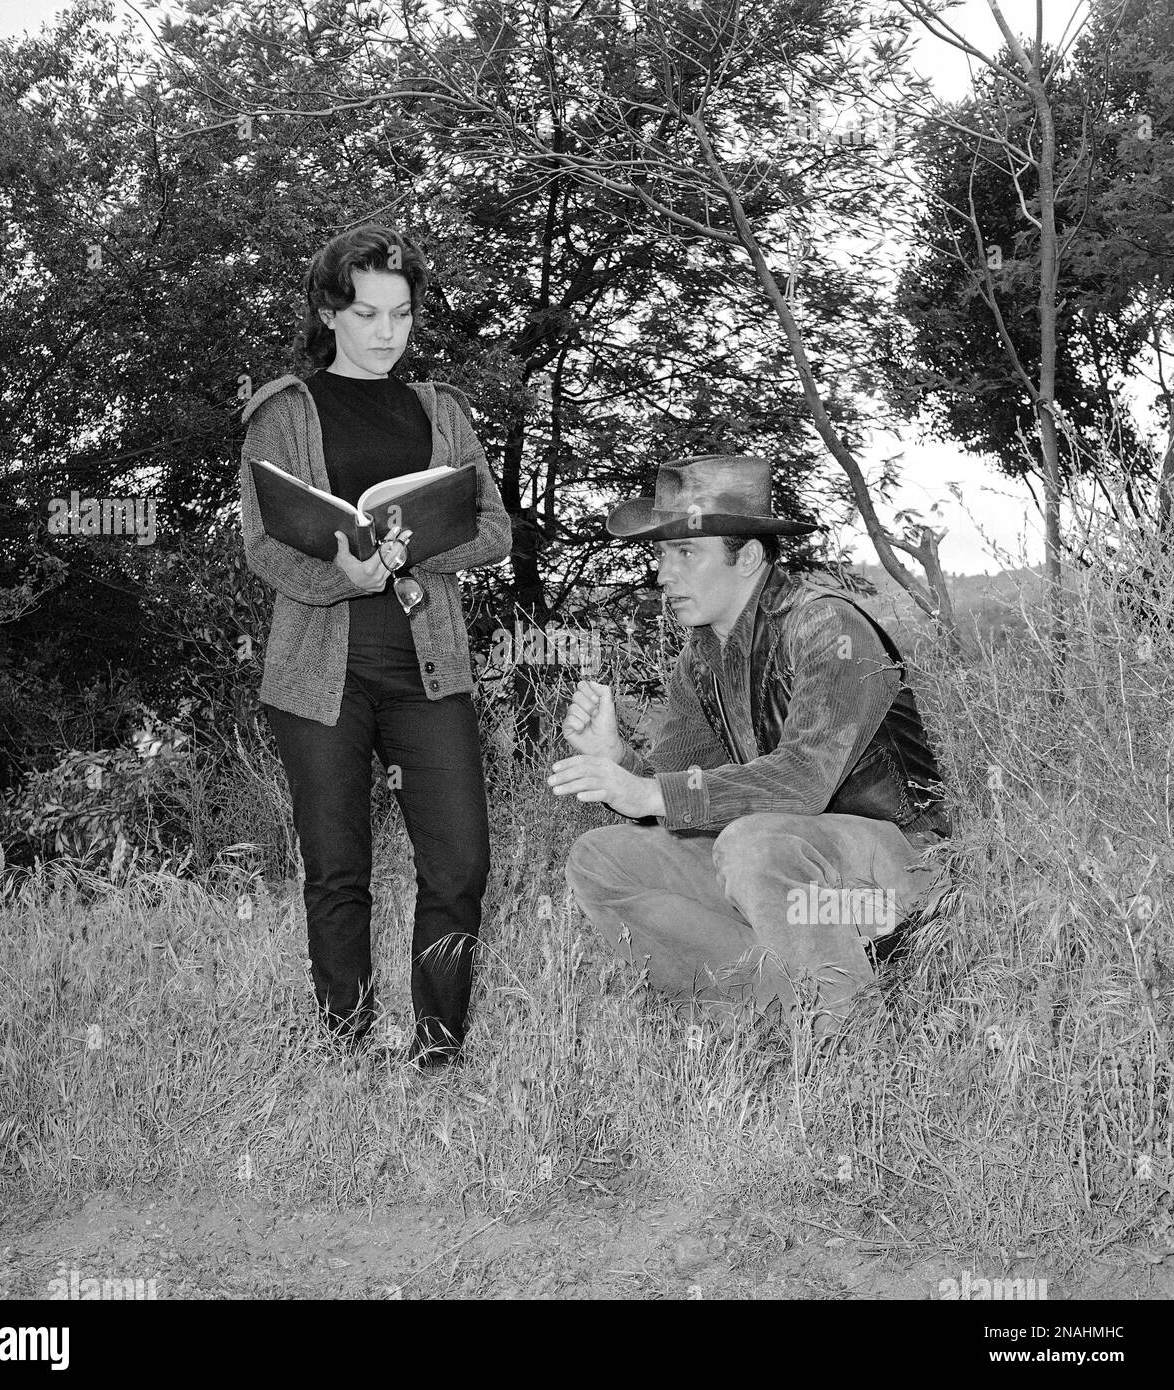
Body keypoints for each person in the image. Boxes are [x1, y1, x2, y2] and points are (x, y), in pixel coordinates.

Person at [549, 454, 950, 1038]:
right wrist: (618, 763)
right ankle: (776, 1011)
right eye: (661, 554)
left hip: (889, 893)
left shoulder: (826, 627)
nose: (663, 573)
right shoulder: (700, 661)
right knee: (600, 859)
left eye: (685, 553)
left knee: (752, 844)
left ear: (751, 558)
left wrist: (647, 791)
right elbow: (679, 801)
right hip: (782, 885)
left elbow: (801, 782)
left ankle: (849, 1040)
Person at [238, 224, 512, 1067]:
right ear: (330, 312)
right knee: (337, 868)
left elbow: (495, 528)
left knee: (460, 861)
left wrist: (413, 548)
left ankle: (440, 1047)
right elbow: (264, 544)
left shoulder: (442, 410)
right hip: (320, 673)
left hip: (429, 667)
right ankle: (347, 1045)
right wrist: (347, 576)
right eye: (366, 313)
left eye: (399, 313)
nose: (386, 332)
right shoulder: (285, 410)